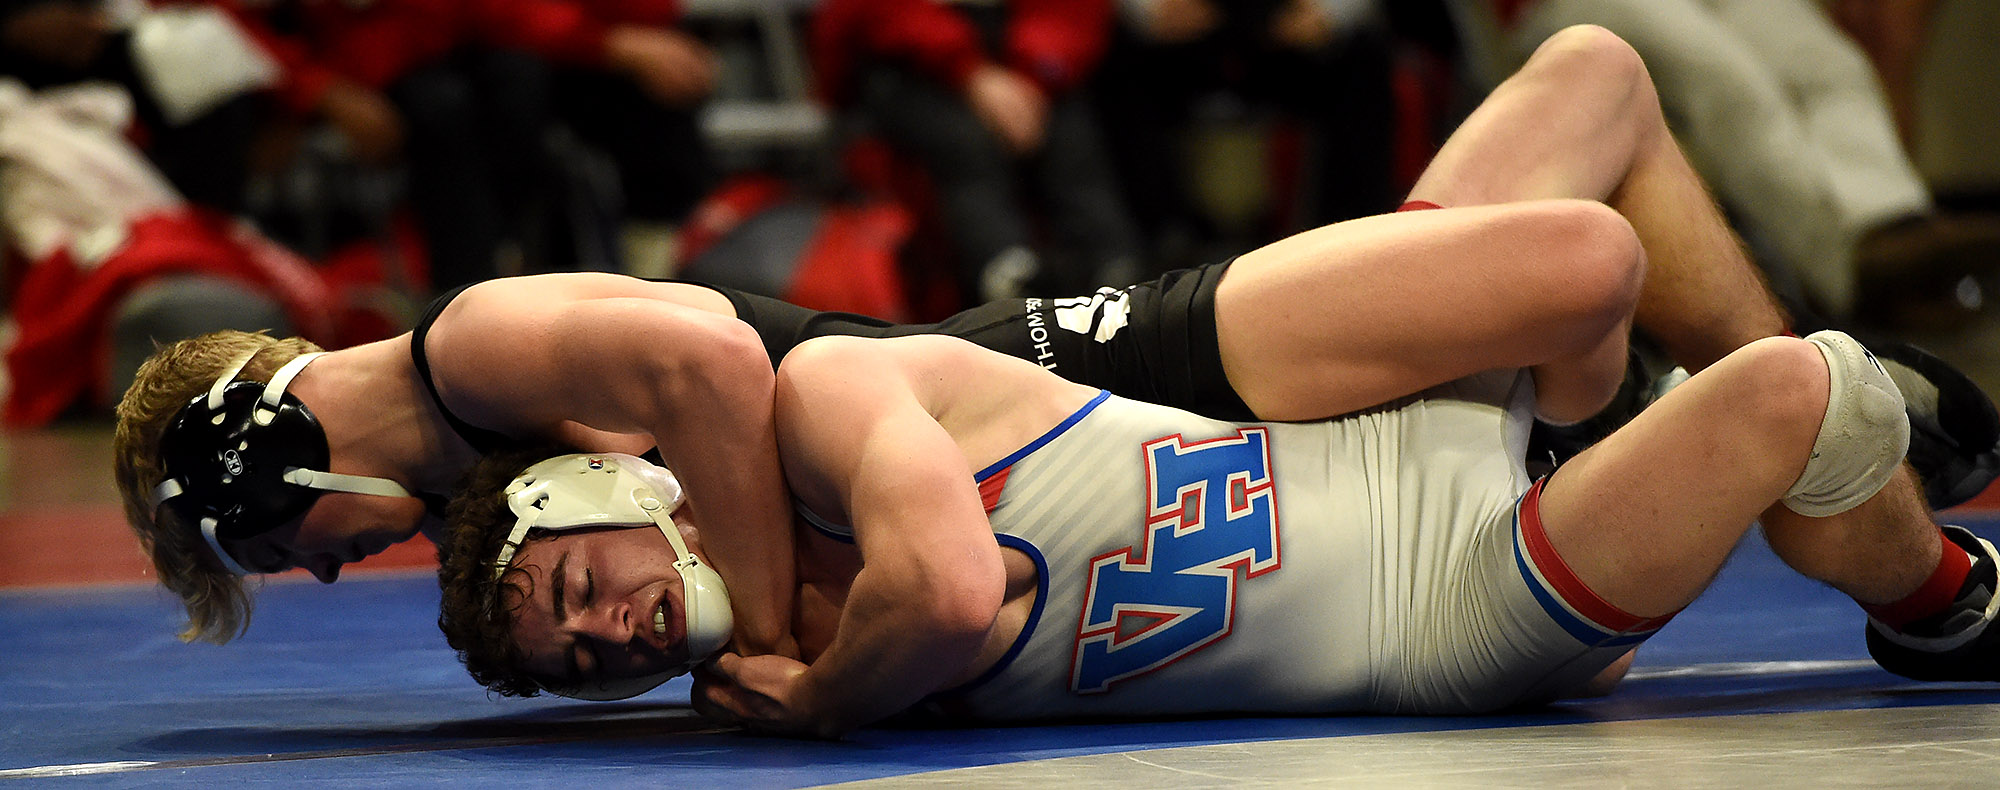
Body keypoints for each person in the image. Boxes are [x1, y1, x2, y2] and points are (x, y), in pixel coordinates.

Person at [113, 24, 1996, 659]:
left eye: (285, 550)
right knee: (1587, 115)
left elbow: (719, 366)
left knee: (1580, 231)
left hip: (1094, 378)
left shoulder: (483, 344)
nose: (331, 568)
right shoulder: (477, 429)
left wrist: (766, 638)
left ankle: (1800, 463)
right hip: (1044, 404)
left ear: (282, 466)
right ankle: (1824, 460)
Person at [433, 297, 1997, 734]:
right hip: (1452, 606)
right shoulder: (830, 636)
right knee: (1803, 390)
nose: (597, 633)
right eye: (578, 661)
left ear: (616, 488)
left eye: (570, 585)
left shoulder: (840, 406)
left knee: (1588, 91)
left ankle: (1646, 393)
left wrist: (820, 707)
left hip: (1390, 436)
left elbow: (953, 589)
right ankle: (1932, 589)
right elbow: (948, 603)